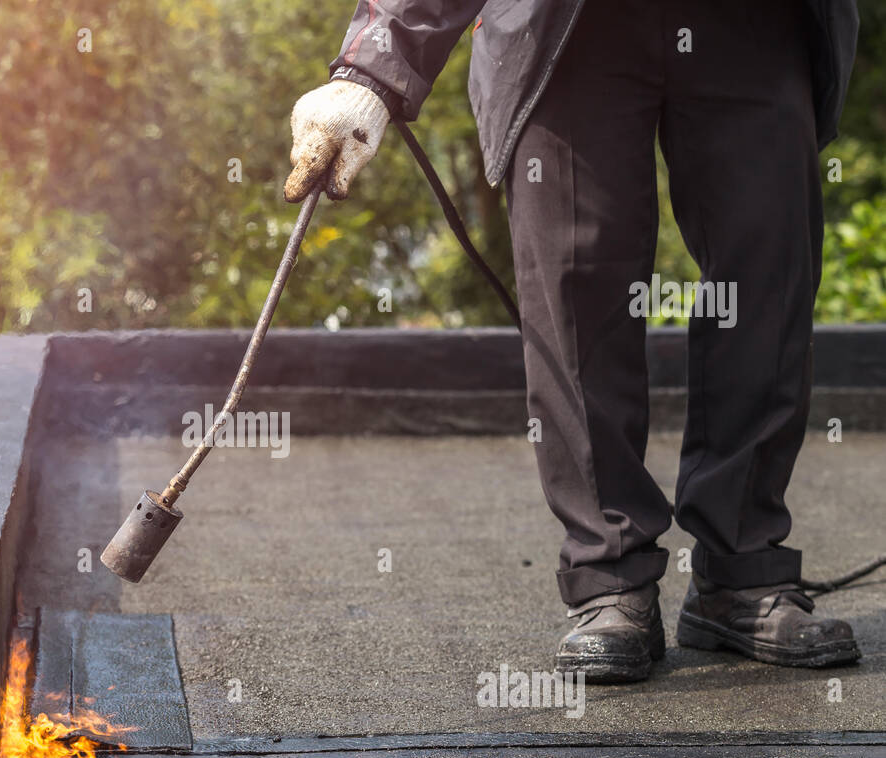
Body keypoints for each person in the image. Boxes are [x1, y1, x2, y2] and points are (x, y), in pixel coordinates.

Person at [284, 0, 862, 682]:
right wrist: (373, 66)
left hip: (756, 26)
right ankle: (610, 574)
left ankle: (745, 571)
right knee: (577, 287)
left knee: (767, 275)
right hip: (567, 30)